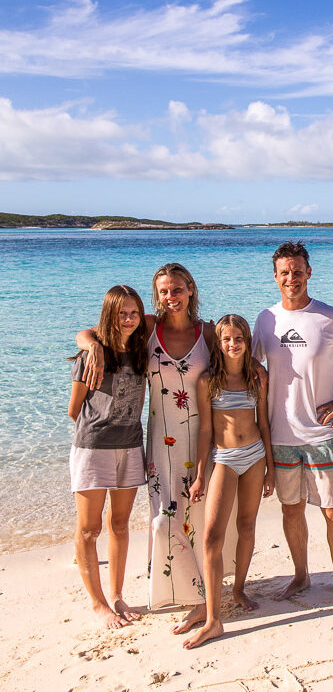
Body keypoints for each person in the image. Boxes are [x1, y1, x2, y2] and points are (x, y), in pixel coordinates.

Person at [77, 263, 239, 633]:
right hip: (161, 441)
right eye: (164, 291)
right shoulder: (148, 327)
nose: (171, 297)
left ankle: (204, 597)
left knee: (201, 518)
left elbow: (238, 362)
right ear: (157, 296)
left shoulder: (209, 333)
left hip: (204, 438)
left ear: (191, 290)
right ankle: (185, 592)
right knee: (165, 519)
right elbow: (90, 331)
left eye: (177, 289)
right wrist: (92, 348)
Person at [252, 241, 333, 610]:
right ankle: (301, 575)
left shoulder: (331, 318)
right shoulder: (266, 319)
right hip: (281, 435)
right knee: (291, 509)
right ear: (275, 277)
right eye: (284, 272)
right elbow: (248, 364)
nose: (292, 278)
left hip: (324, 435)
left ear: (309, 272)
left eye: (297, 271)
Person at [183, 315, 275, 649]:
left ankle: (238, 589)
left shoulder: (256, 377)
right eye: (226, 339)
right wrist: (199, 476)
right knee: (211, 537)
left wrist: (272, 469)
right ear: (218, 343)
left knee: (247, 525)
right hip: (224, 458)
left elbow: (263, 422)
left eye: (238, 338)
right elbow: (206, 430)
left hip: (255, 456)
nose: (232, 344)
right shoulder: (209, 380)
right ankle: (212, 617)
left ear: (247, 341)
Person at [68, 285, 148, 629]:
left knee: (119, 525)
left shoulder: (143, 349)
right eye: (121, 314)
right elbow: (75, 410)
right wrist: (91, 344)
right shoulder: (93, 354)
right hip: (93, 447)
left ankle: (116, 595)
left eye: (133, 313)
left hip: (131, 446)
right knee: (89, 530)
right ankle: (98, 604)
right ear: (109, 315)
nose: (128, 319)